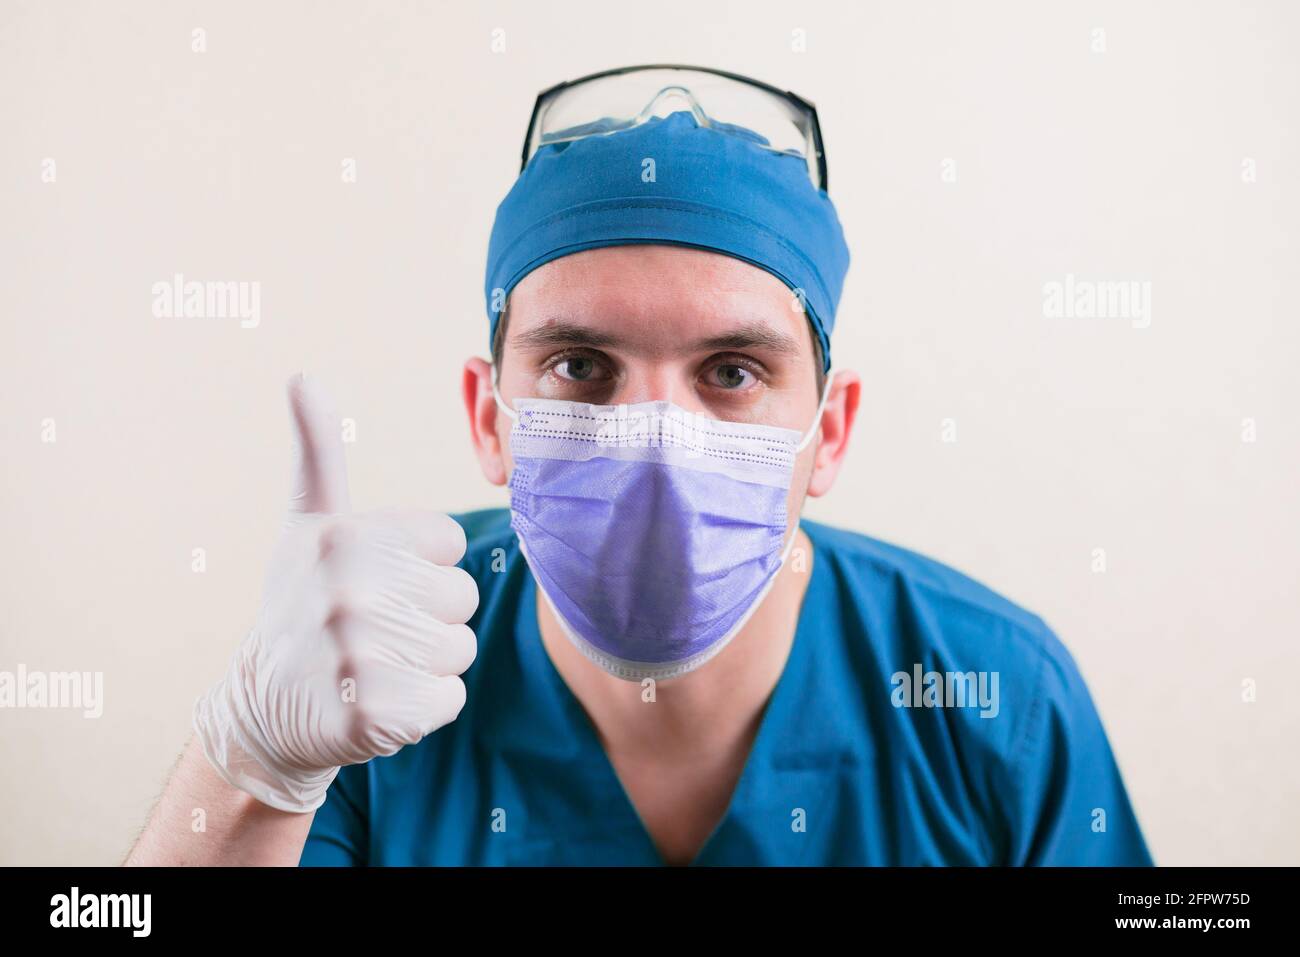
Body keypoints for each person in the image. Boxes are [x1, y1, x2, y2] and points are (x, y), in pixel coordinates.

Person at [126, 66, 1152, 867]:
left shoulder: (992, 702)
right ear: (491, 416)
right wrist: (249, 765)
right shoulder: (370, 694)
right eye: (580, 366)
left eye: (732, 371)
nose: (657, 443)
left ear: (828, 432)